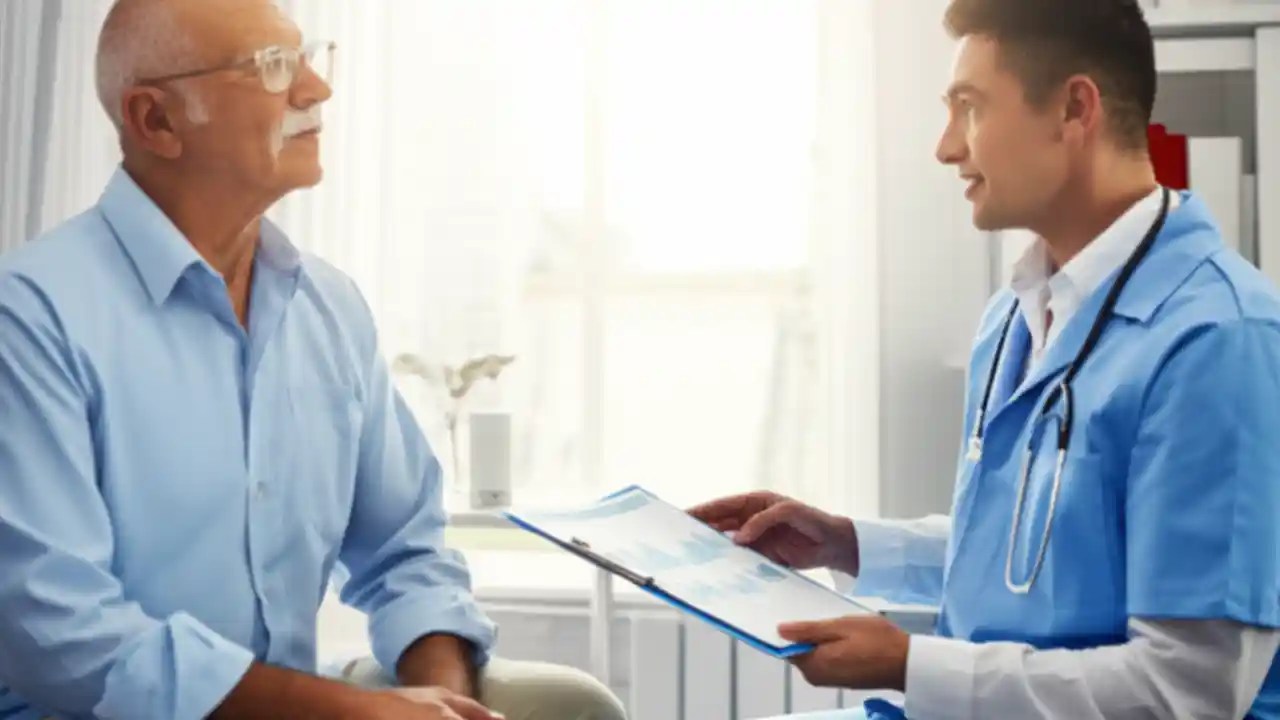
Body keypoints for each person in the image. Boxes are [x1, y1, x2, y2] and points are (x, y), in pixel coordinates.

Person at [0, 1, 627, 719]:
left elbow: (405, 552)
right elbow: (62, 635)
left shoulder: (329, 308)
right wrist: (352, 711)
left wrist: (442, 699)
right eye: (271, 68)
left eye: (306, 56)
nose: (314, 90)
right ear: (155, 121)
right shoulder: (28, 319)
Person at [693, 0, 1280, 717]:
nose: (946, 147)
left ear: (1073, 108)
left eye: (969, 107)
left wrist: (914, 666)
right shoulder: (1016, 314)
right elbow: (1040, 563)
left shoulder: (1219, 340)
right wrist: (848, 545)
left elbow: (1187, 690)